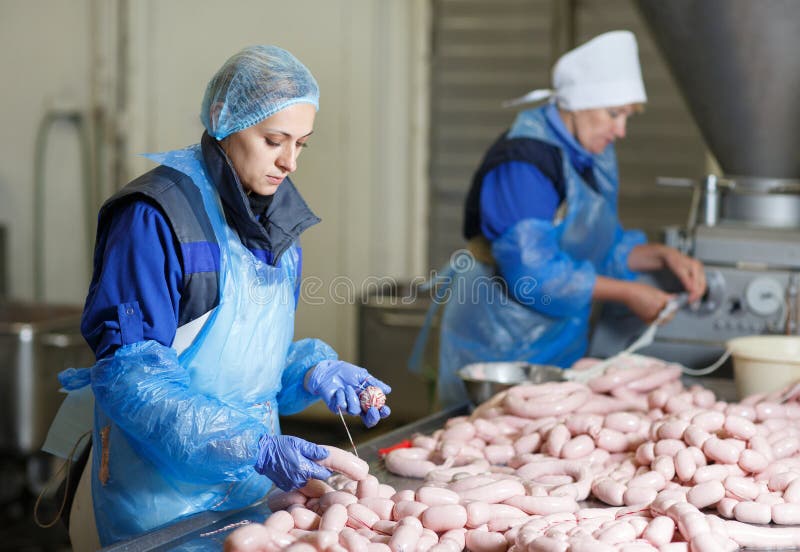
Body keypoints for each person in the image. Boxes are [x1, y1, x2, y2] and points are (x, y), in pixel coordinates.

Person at [44, 45, 391, 548]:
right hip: (157, 505)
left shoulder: (276, 222)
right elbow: (131, 380)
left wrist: (312, 372)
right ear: (224, 121)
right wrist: (254, 446)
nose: (290, 162)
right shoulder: (157, 218)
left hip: (249, 499)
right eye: (274, 140)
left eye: (302, 144)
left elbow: (242, 367)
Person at [435, 31, 706, 407]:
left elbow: (597, 245)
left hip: (559, 333)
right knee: (482, 437)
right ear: (578, 104)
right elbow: (533, 272)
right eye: (614, 114)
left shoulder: (588, 154)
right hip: (501, 333)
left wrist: (661, 256)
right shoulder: (526, 162)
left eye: (626, 116)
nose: (621, 130)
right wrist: (629, 293)